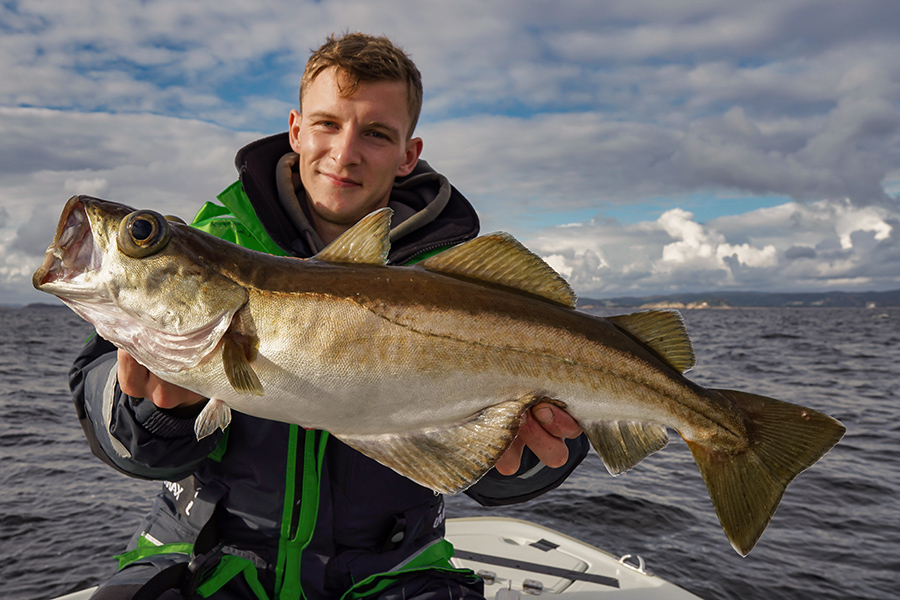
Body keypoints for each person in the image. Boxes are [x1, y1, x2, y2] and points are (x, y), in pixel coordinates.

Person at [70, 32, 588, 600]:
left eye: (376, 133)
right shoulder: (211, 246)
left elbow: (498, 476)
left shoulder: (463, 281)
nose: (345, 153)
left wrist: (511, 454)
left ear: (408, 153)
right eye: (326, 125)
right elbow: (122, 438)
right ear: (295, 129)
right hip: (207, 551)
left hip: (396, 566)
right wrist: (154, 417)